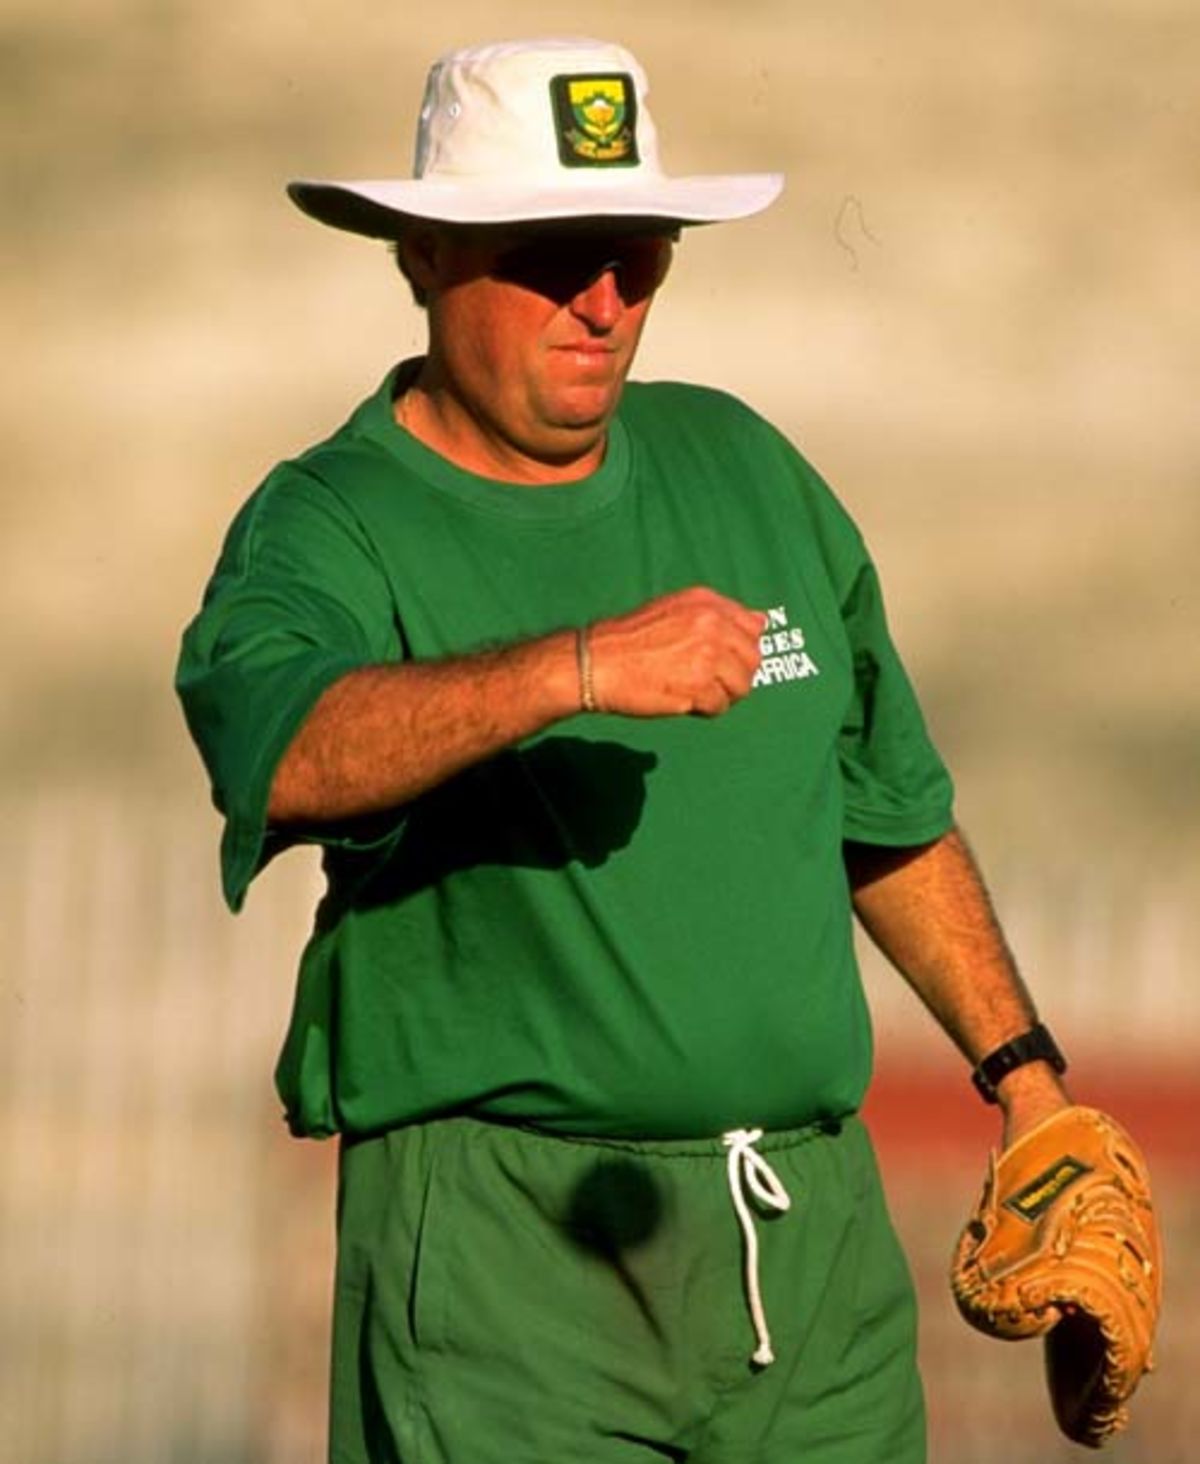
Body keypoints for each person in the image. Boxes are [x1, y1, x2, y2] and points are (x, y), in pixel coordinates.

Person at [177, 35, 1073, 1464]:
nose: (602, 301)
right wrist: (574, 669)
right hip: (509, 1271)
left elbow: (884, 811)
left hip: (811, 1260)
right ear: (420, 253)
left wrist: (1028, 1082)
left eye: (639, 255)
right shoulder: (331, 520)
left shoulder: (749, 467)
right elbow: (276, 751)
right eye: (551, 254)